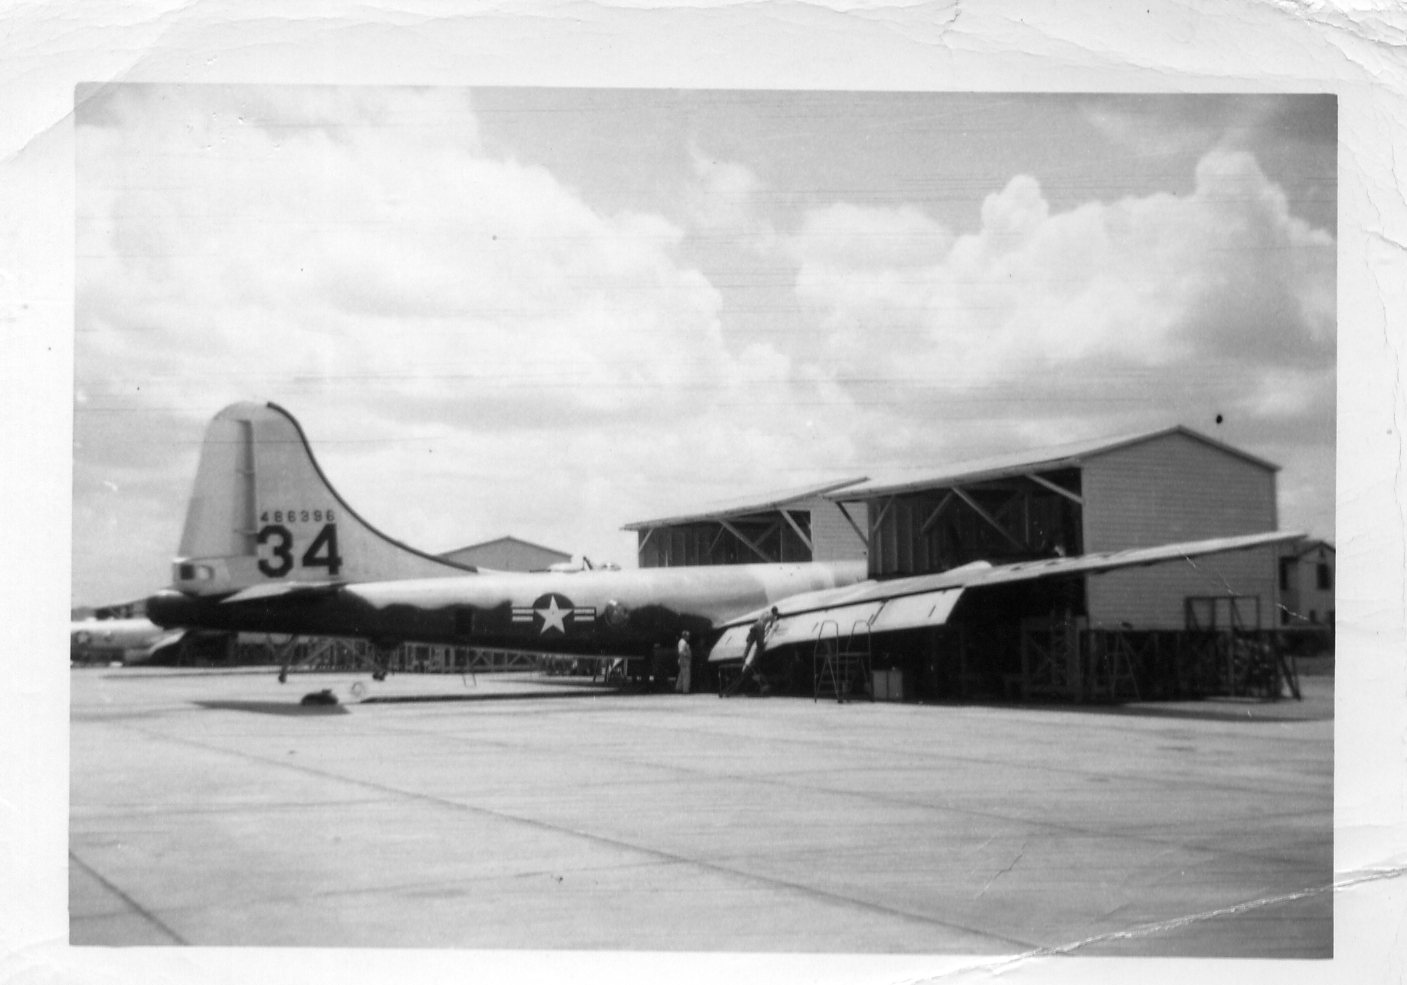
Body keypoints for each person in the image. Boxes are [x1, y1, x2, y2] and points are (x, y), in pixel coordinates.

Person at [725, 606, 779, 696]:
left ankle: (744, 656)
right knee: (760, 645)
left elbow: (762, 618)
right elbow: (771, 625)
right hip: (760, 627)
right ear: (775, 612)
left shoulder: (765, 613)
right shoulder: (773, 616)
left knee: (749, 644)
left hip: (754, 626)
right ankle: (755, 656)